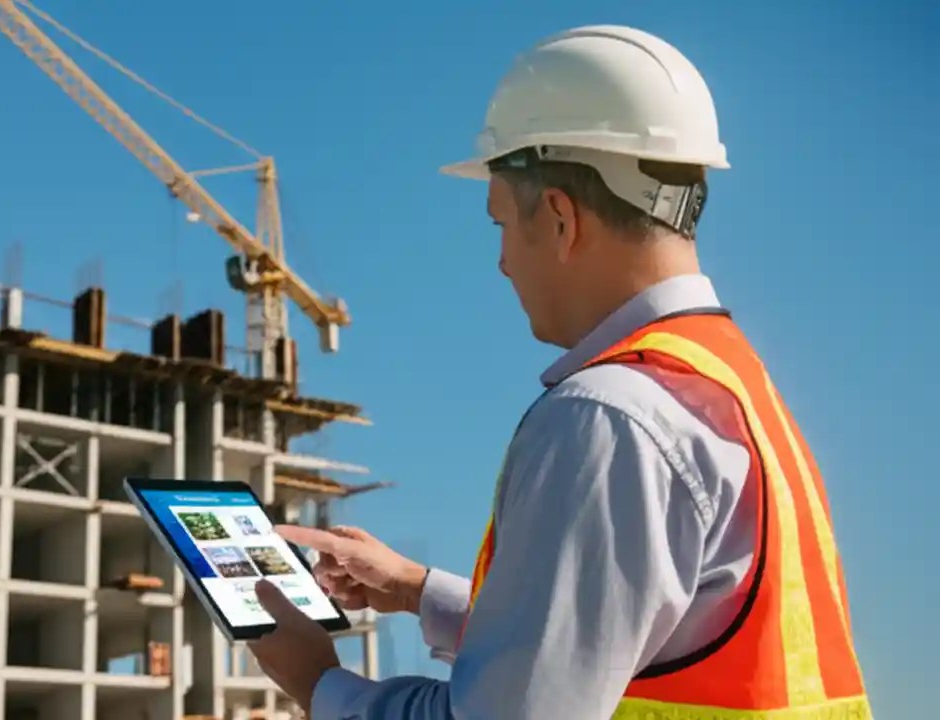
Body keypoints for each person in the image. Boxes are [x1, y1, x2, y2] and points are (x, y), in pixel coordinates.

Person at [245, 24, 873, 719]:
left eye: (500, 226)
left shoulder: (607, 417)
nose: (503, 261)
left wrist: (319, 682)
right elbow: (625, 643)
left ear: (560, 217)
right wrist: (416, 590)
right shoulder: (727, 389)